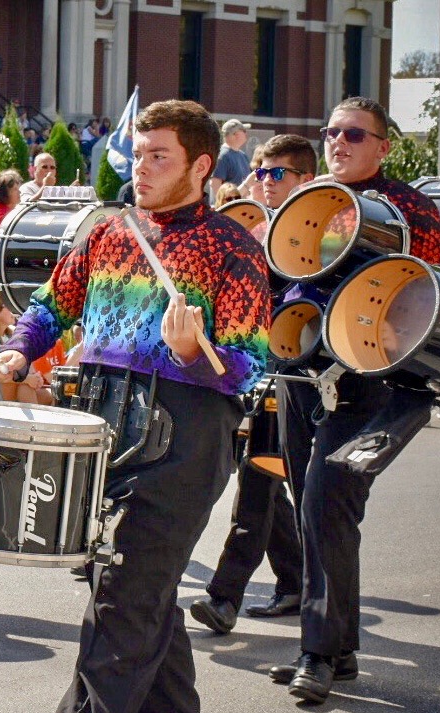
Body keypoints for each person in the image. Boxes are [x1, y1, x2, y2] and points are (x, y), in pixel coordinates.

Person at [0, 100, 270, 713]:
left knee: (121, 599)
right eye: (136, 155)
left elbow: (250, 362)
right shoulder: (108, 231)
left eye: (157, 157)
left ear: (201, 166)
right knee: (132, 590)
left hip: (186, 427)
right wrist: (22, 345)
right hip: (105, 418)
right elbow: (51, 304)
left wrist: (193, 354)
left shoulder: (230, 249)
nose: (138, 168)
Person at [268, 97, 440, 704]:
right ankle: (337, 651)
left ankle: (318, 653)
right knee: (315, 512)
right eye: (330, 132)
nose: (337, 142)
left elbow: (432, 293)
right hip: (302, 378)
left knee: (326, 504)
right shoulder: (313, 202)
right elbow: (284, 276)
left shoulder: (412, 209)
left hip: (370, 382)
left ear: (382, 146)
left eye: (352, 134)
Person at [189, 133, 317, 635]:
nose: (264, 182)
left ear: (305, 180)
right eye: (260, 172)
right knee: (262, 477)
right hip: (258, 373)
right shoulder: (253, 232)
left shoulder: (325, 230)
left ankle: (224, 596)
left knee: (260, 482)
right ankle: (294, 581)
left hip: (297, 375)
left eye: (276, 173)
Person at [208, 118, 252, 202]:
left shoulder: (243, 155)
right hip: (227, 210)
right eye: (244, 131)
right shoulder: (223, 156)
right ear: (236, 134)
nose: (246, 133)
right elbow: (215, 184)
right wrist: (222, 207)